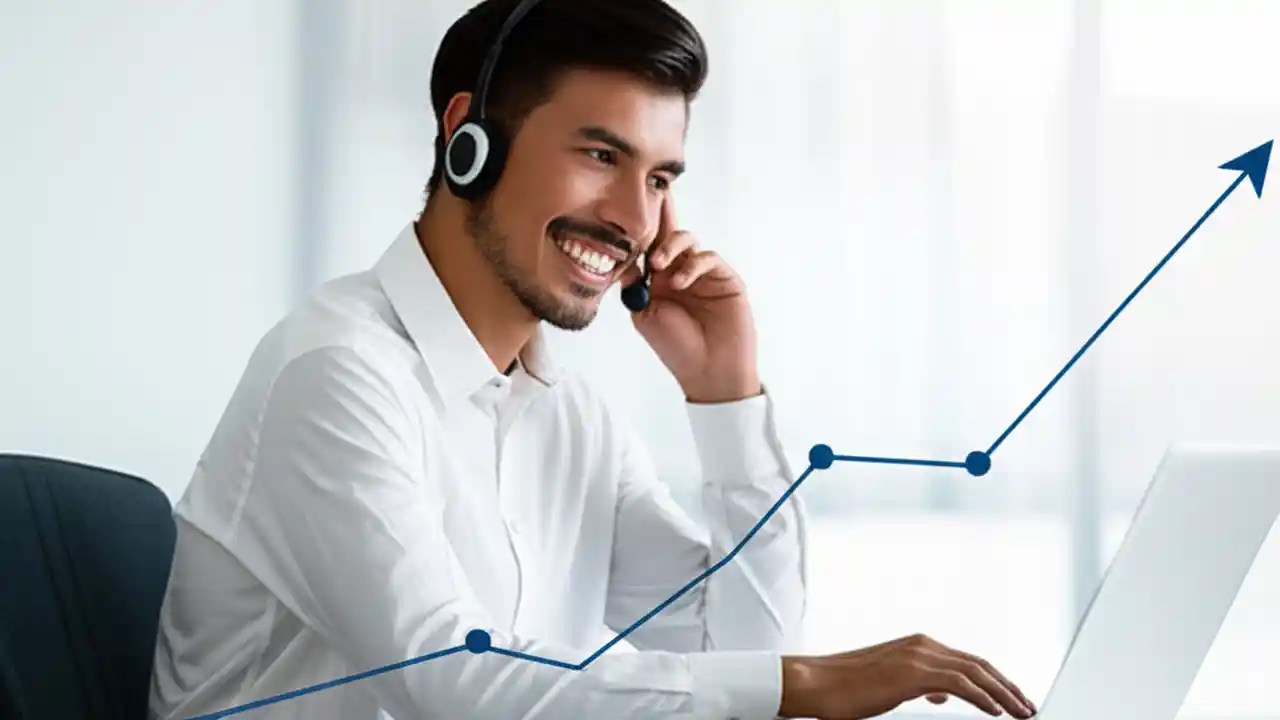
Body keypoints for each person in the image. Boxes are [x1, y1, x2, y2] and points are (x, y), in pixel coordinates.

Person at [149, 0, 1037, 718]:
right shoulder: (337, 372)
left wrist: (725, 395)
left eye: (658, 178)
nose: (635, 220)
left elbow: (741, 645)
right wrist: (808, 686)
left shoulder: (566, 415)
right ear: (470, 138)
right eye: (600, 155)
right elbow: (452, 682)